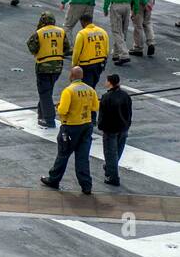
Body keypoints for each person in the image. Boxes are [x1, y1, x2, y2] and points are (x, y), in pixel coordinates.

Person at [39, 66, 99, 195]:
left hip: (71, 127)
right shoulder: (90, 90)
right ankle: (86, 185)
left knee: (63, 154)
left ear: (71, 76)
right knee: (83, 157)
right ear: (81, 76)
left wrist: (59, 106)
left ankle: (54, 179)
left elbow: (62, 110)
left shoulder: (69, 91)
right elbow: (95, 107)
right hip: (86, 125)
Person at [27, 12, 68, 128]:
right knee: (48, 91)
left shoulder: (39, 33)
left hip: (43, 67)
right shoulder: (61, 32)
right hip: (58, 67)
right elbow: (67, 48)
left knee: (45, 93)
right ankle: (42, 113)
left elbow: (31, 47)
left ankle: (49, 119)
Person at [102, 0, 140, 65]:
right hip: (127, 6)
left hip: (116, 6)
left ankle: (124, 54)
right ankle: (116, 53)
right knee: (123, 30)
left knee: (116, 31)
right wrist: (135, 9)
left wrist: (105, 8)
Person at [97, 74, 131, 187]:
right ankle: (110, 168)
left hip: (110, 130)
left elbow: (102, 115)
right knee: (118, 151)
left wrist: (101, 126)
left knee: (110, 153)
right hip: (123, 128)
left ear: (110, 82)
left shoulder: (106, 97)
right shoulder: (125, 95)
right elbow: (129, 113)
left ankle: (113, 177)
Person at [71, 13, 110, 88]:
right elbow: (107, 49)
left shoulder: (82, 34)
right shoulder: (103, 32)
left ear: (82, 22)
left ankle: (89, 98)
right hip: (100, 63)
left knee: (86, 86)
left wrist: (74, 65)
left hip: (86, 65)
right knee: (94, 83)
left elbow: (76, 52)